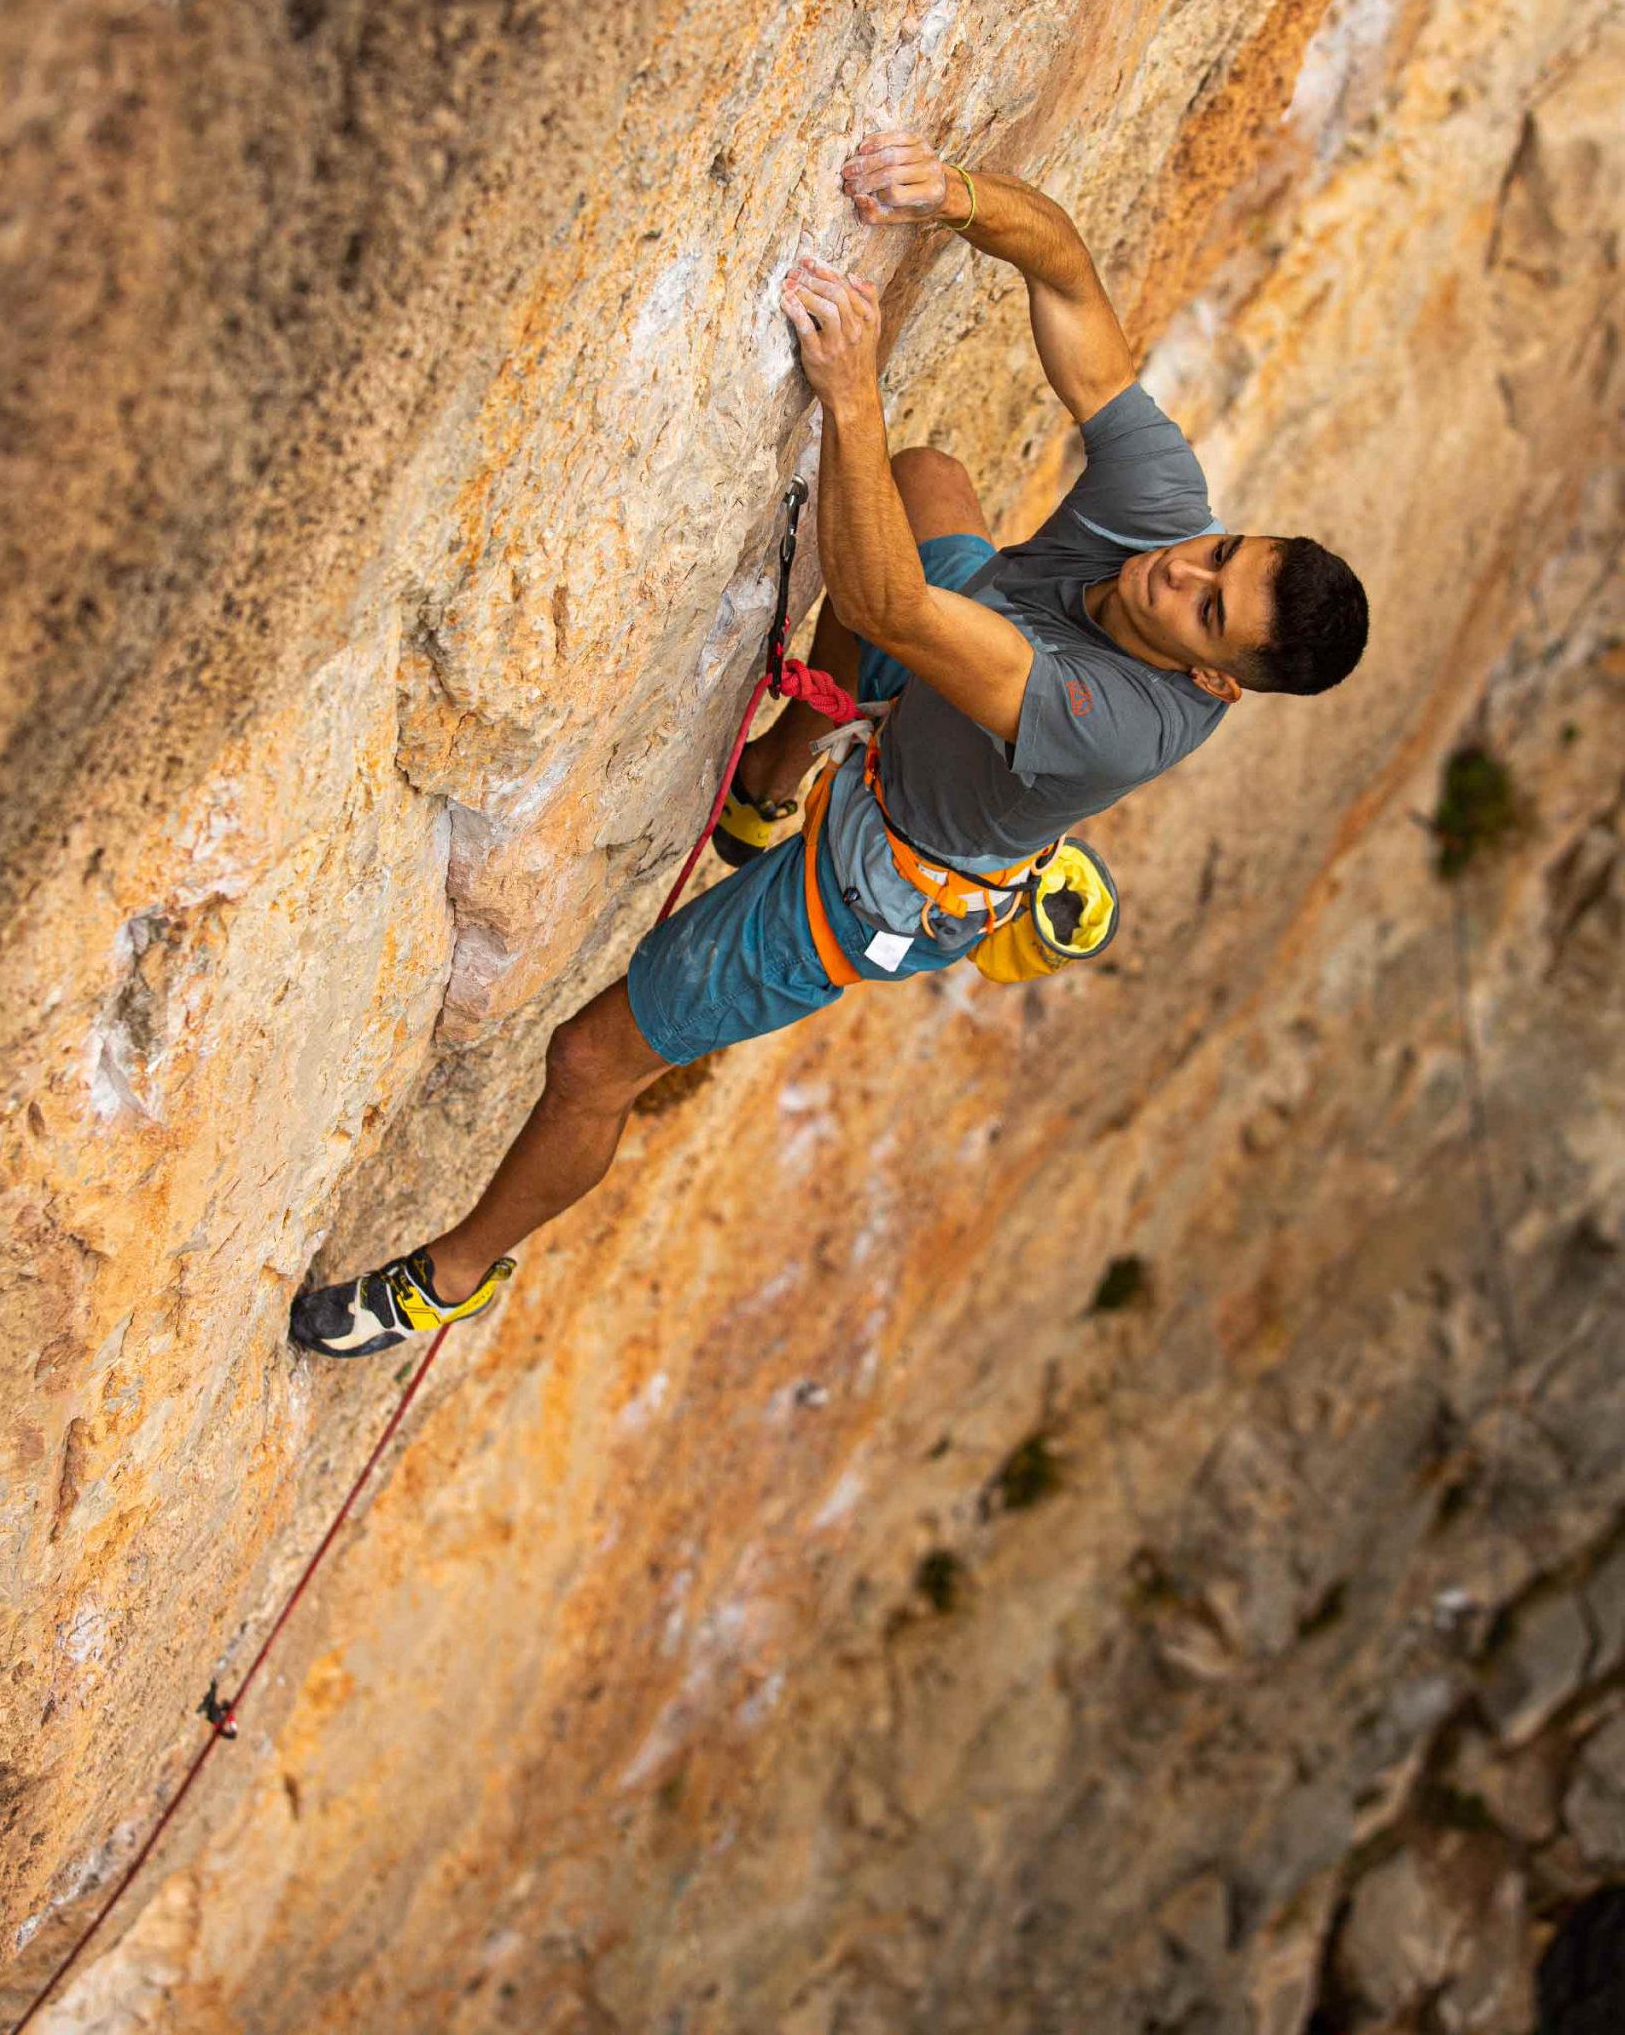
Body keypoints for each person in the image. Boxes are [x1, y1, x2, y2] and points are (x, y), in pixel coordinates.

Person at [291, 132, 1367, 1357]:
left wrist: (850, 391)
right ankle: (766, 777)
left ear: (1217, 678)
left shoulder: (1125, 723)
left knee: (591, 1062)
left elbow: (894, 604)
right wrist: (957, 197)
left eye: (1208, 606)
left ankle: (451, 1275)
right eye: (1227, 552)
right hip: (969, 684)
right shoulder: (1166, 522)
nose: (1183, 568)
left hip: (873, 881)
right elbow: (1067, 276)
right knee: (925, 477)